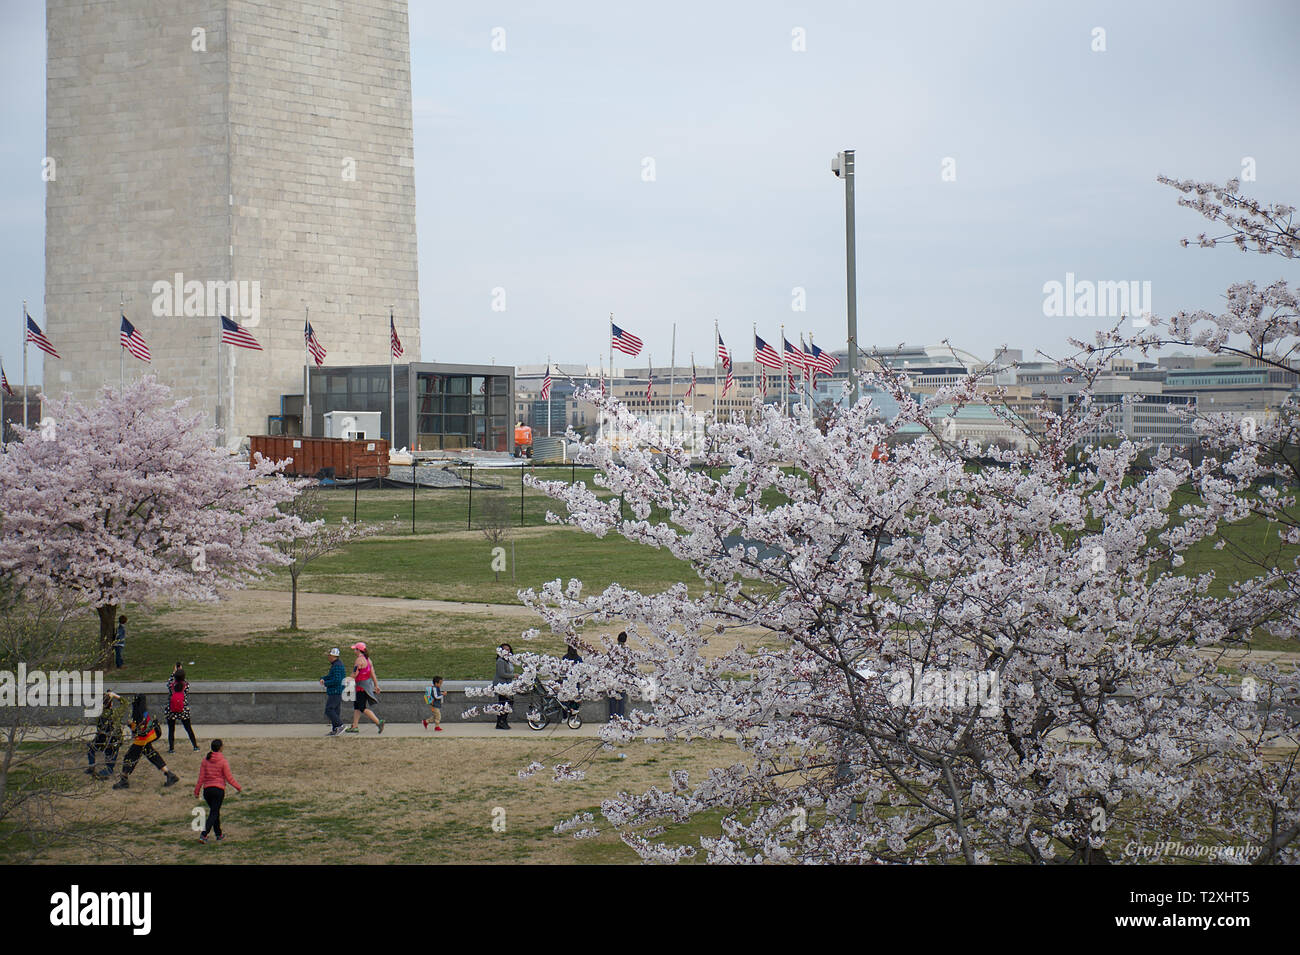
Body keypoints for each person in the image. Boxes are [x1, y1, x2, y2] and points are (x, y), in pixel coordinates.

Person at [113, 695, 179, 790]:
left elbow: (137, 728)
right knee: (152, 755)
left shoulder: (138, 714)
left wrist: (130, 724)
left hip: (141, 740)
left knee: (129, 757)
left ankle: (124, 780)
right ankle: (170, 774)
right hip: (146, 738)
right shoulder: (144, 711)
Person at [194, 739, 242, 844]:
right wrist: (238, 787)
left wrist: (197, 791)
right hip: (218, 790)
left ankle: (218, 834)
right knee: (214, 813)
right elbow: (229, 778)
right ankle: (204, 835)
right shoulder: (223, 761)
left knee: (214, 812)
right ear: (220, 748)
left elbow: (201, 778)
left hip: (207, 791)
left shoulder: (205, 760)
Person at [346, 642, 384, 734]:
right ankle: (355, 726)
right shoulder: (368, 660)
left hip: (360, 687)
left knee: (362, 707)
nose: (354, 651)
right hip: (366, 686)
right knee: (357, 707)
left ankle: (378, 722)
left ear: (358, 650)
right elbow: (372, 674)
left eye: (355, 649)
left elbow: (355, 673)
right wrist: (376, 685)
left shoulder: (359, 660)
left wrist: (348, 680)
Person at [86, 690, 123, 778]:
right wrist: (115, 695)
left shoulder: (98, 713)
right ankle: (109, 769)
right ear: (111, 704)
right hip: (112, 739)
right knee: (111, 752)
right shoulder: (115, 713)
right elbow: (125, 703)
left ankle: (92, 766)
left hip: (102, 737)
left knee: (91, 748)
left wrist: (106, 697)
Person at [166, 664, 198, 752]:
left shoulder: (171, 685)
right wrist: (180, 672)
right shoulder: (186, 685)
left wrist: (174, 672)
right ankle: (195, 746)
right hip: (183, 709)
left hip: (171, 709)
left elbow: (169, 681)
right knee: (188, 728)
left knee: (171, 730)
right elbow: (185, 681)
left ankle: (171, 748)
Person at [319, 647, 346, 736]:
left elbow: (337, 680)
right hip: (337, 690)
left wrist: (326, 683)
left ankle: (340, 725)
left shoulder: (337, 666)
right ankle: (335, 729)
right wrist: (324, 678)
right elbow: (332, 676)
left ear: (333, 656)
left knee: (329, 709)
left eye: (329, 655)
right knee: (335, 710)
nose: (328, 657)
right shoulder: (337, 664)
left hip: (335, 691)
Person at [607, 632, 629, 721]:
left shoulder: (612, 649)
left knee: (612, 700)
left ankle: (612, 717)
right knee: (621, 701)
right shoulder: (627, 651)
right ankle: (620, 718)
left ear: (617, 639)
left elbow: (607, 661)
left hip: (612, 677)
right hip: (623, 677)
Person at [494, 644, 515, 730]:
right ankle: (501, 722)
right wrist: (514, 675)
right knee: (504, 703)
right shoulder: (500, 661)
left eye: (508, 649)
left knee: (508, 703)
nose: (507, 651)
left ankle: (503, 721)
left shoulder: (508, 661)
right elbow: (502, 674)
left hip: (507, 684)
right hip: (501, 685)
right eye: (505, 650)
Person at [560, 645, 583, 721]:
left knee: (572, 699)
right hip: (569, 681)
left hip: (573, 682)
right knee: (568, 699)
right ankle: (568, 716)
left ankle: (569, 716)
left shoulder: (577, 659)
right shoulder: (568, 658)